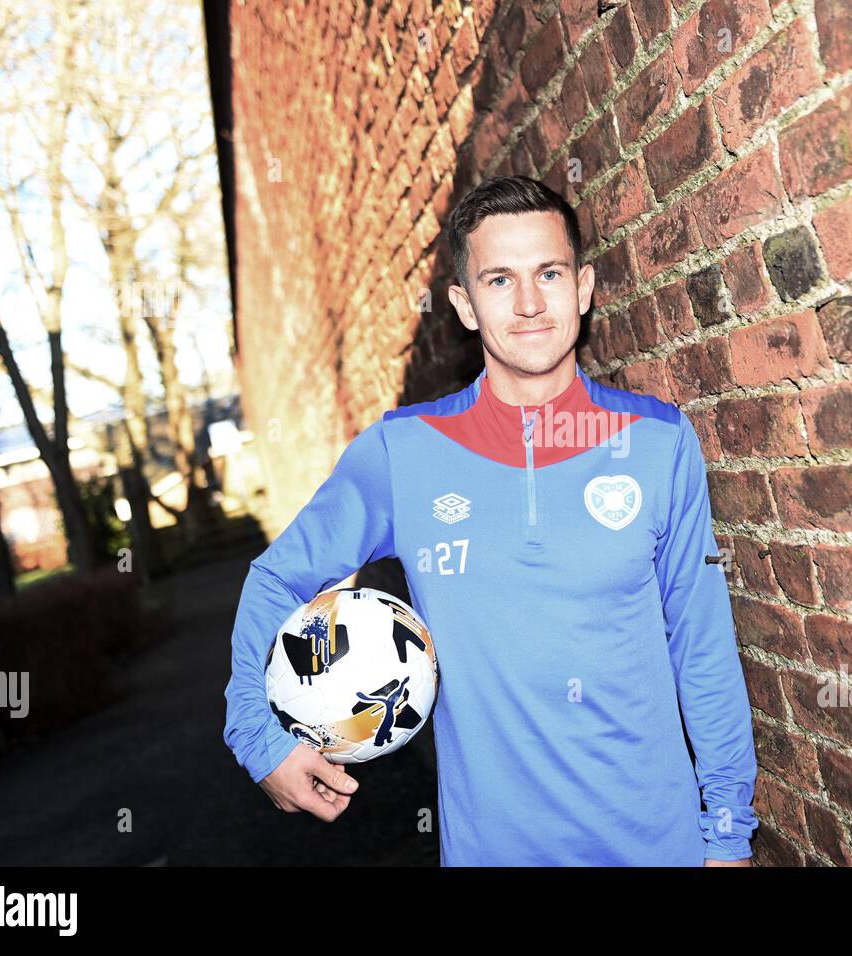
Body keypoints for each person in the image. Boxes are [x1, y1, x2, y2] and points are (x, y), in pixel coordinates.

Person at [223, 174, 759, 866]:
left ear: (585, 288)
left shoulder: (657, 442)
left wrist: (727, 830)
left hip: (661, 847)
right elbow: (276, 580)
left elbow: (703, 646)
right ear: (464, 305)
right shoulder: (402, 451)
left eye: (550, 274)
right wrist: (259, 737)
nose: (531, 303)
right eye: (500, 280)